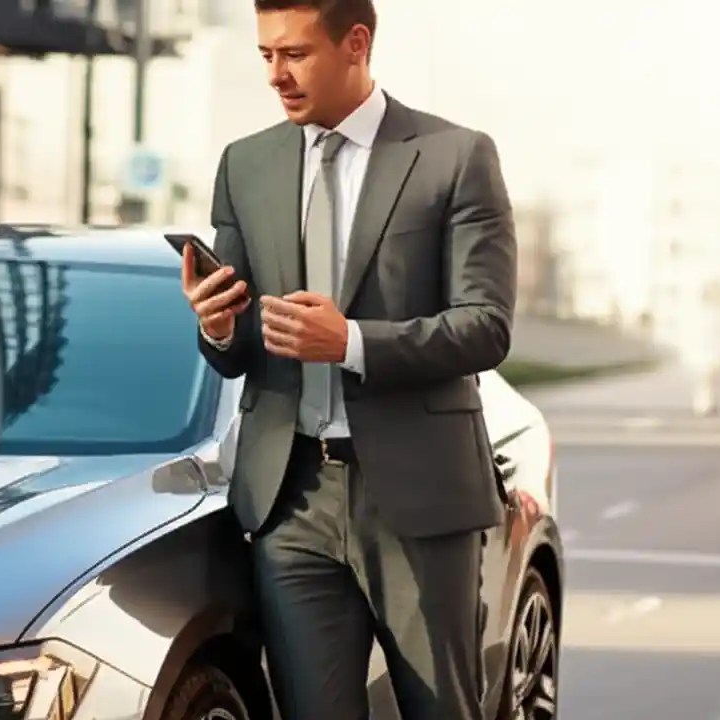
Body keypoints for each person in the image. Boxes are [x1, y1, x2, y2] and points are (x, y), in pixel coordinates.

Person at [180, 1, 517, 718]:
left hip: (420, 499)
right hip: (291, 499)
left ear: (356, 44)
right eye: (266, 55)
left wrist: (352, 343)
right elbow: (239, 351)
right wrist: (218, 326)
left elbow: (486, 327)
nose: (276, 75)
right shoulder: (246, 165)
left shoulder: (454, 156)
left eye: (295, 54)